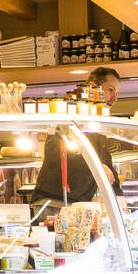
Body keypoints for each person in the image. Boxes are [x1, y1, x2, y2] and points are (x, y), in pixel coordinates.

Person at [32, 67, 124, 206]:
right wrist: (97, 166)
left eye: (117, 93)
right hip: (52, 203)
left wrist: (121, 200)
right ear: (92, 87)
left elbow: (107, 165)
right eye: (110, 90)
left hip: (79, 204)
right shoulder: (69, 113)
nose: (115, 98)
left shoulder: (97, 124)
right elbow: (55, 149)